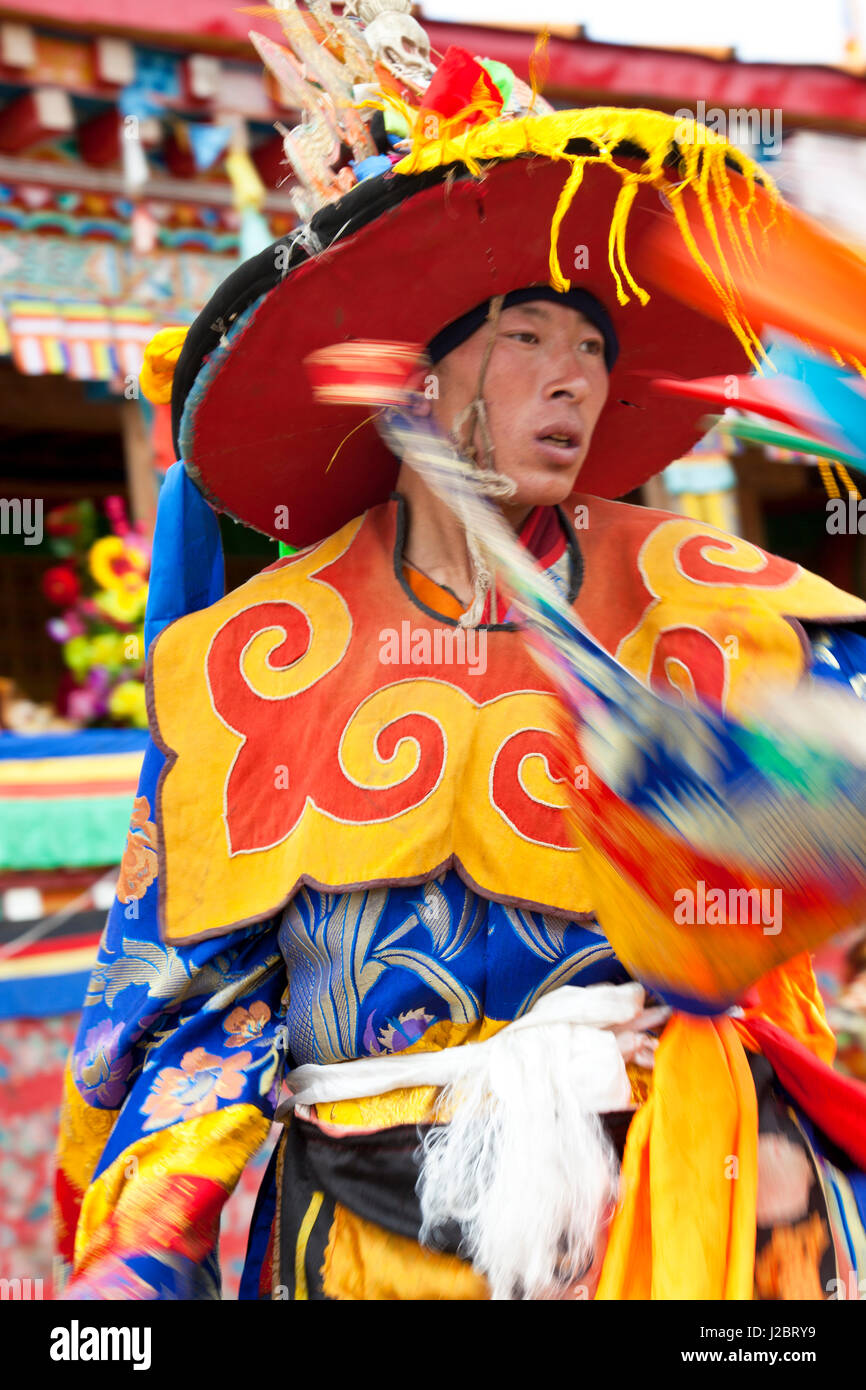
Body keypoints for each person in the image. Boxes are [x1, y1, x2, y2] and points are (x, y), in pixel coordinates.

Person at [56, 20, 866, 1301]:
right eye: (531, 338)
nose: (575, 381)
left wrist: (781, 826)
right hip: (364, 1248)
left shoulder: (719, 605)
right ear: (423, 380)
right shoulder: (255, 658)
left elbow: (833, 809)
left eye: (593, 348)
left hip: (676, 1220)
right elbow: (196, 1006)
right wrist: (147, 1242)